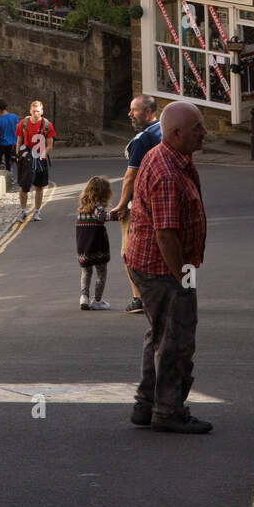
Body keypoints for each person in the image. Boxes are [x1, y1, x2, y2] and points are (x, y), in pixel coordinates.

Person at [124, 101, 212, 435]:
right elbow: (166, 236)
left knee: (159, 335)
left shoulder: (174, 156)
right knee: (177, 340)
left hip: (154, 265)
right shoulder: (166, 173)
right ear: (175, 134)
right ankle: (168, 410)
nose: (204, 133)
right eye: (197, 129)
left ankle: (147, 404)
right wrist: (184, 280)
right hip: (162, 269)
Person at [111, 94, 162, 314]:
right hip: (162, 200)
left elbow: (131, 175)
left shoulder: (142, 138)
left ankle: (138, 298)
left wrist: (121, 205)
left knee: (129, 250)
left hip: (141, 203)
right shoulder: (165, 130)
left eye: (134, 110)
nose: (130, 114)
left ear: (148, 112)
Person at [15, 100, 56, 221]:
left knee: (39, 187)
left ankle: (37, 212)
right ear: (30, 111)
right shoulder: (23, 124)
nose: (36, 114)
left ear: (42, 111)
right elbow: (18, 141)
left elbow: (50, 145)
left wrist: (41, 155)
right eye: (34, 111)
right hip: (26, 159)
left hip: (40, 159)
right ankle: (23, 211)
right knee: (24, 186)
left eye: (38, 111)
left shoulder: (47, 125)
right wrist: (18, 156)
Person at [77, 176, 113, 311]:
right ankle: (97, 300)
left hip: (84, 247)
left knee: (86, 271)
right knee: (101, 273)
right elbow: (103, 216)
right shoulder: (98, 207)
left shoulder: (81, 209)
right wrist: (117, 215)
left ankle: (84, 297)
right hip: (97, 246)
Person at [0, 98, 19, 182]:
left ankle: (0, 164)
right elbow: (18, 129)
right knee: (10, 161)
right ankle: (11, 177)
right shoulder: (14, 117)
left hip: (2, 143)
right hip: (13, 143)